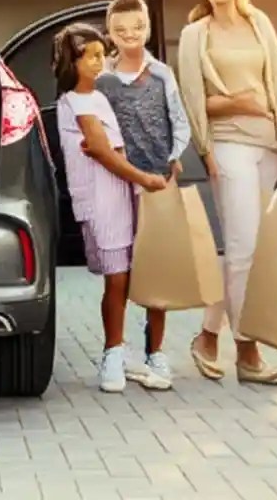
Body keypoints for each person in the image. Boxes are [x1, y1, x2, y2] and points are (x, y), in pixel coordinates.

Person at [176, 0, 277, 385]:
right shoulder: (196, 34)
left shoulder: (259, 22)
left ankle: (208, 336)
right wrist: (232, 111)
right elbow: (192, 100)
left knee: (252, 251)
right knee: (243, 248)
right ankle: (248, 351)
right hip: (228, 146)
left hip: (269, 146)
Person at [52, 22, 168, 393]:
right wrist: (144, 178)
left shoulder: (101, 99)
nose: (99, 62)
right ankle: (112, 354)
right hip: (102, 199)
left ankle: (141, 352)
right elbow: (102, 151)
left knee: (136, 274)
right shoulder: (74, 102)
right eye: (91, 56)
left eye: (102, 55)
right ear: (72, 62)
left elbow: (116, 147)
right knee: (116, 278)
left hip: (123, 194)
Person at [95, 0, 192, 389]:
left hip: (156, 183)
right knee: (118, 274)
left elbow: (179, 121)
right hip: (116, 184)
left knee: (157, 270)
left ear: (148, 29)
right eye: (120, 29)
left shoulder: (162, 75)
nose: (130, 34)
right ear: (109, 32)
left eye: (137, 27)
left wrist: (172, 157)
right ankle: (113, 353)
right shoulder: (102, 79)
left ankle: (156, 353)